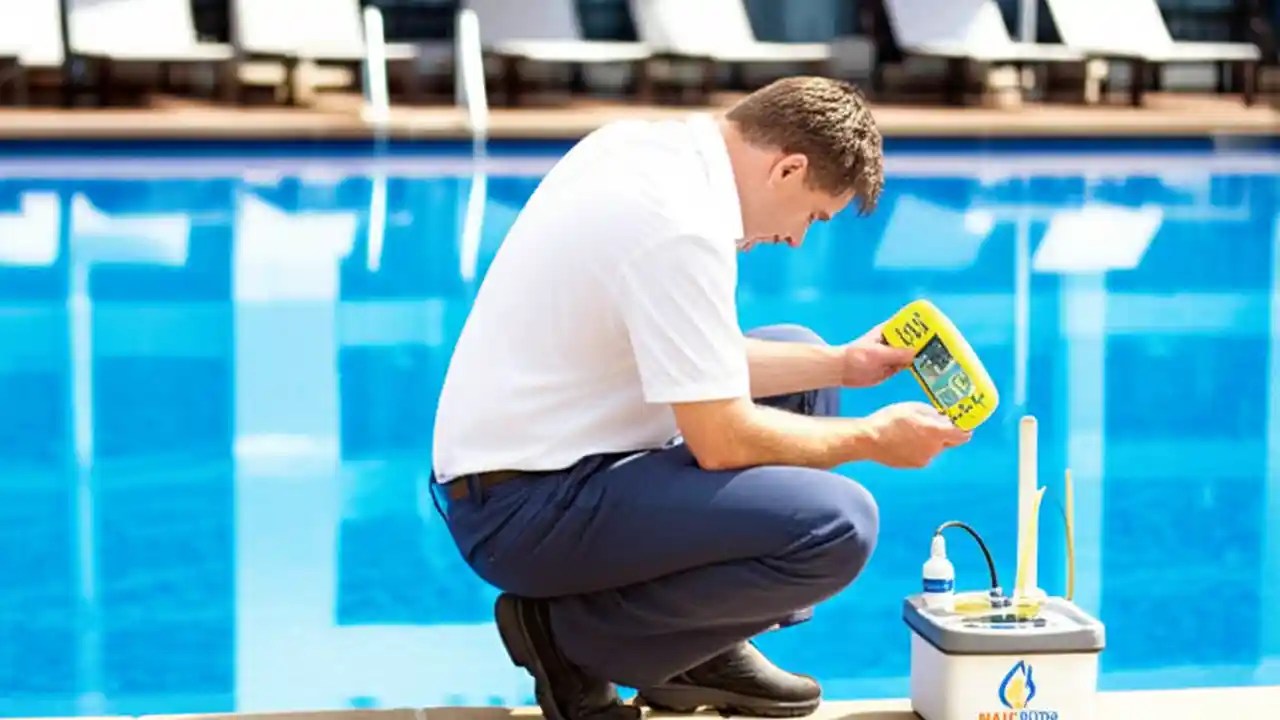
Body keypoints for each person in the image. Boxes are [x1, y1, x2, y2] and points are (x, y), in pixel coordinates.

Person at [430, 76, 971, 720]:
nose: (798, 238)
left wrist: (844, 364)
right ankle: (570, 640)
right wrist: (874, 440)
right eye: (813, 215)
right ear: (788, 168)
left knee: (805, 365)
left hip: (533, 472)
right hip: (527, 510)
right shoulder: (679, 226)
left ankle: (695, 651)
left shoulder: (647, 151)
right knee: (839, 525)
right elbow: (722, 440)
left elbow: (694, 359)